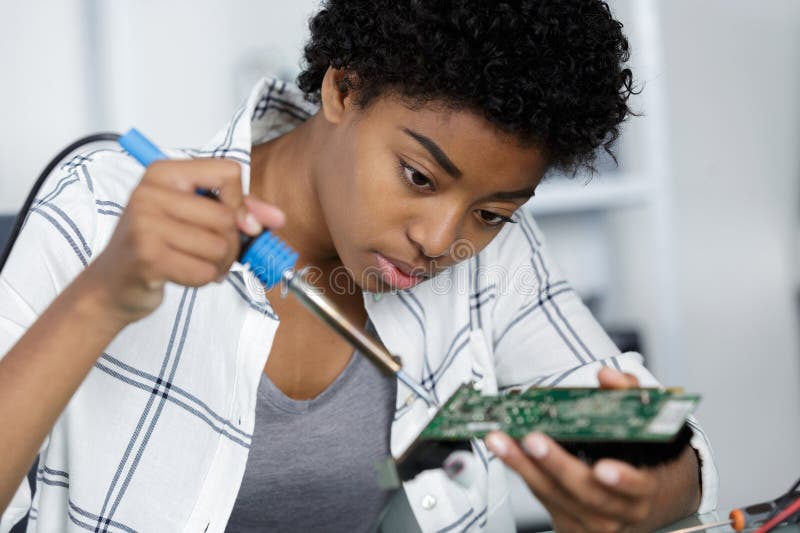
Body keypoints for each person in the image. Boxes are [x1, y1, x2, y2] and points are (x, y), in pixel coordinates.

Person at [0, 1, 718, 531]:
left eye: (492, 212)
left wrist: (656, 488)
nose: (443, 239)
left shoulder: (495, 262)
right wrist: (101, 298)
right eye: (418, 176)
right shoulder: (104, 208)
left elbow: (640, 433)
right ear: (342, 90)